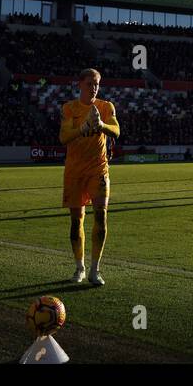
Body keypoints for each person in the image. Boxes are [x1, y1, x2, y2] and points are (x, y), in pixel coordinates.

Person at [59, 68, 121, 286]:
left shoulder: (105, 107)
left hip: (98, 169)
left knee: (101, 216)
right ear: (80, 85)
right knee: (76, 222)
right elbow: (64, 137)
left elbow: (117, 130)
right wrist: (83, 128)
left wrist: (101, 126)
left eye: (96, 84)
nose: (94, 88)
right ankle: (80, 268)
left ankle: (95, 269)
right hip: (75, 171)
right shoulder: (69, 108)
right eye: (89, 84)